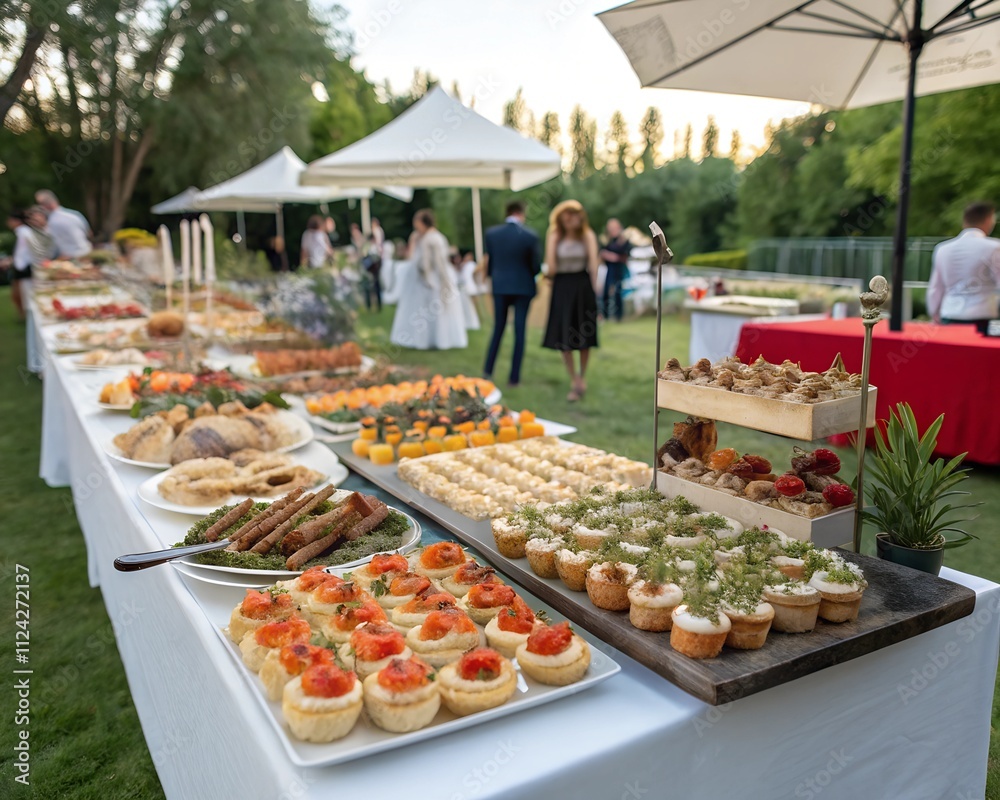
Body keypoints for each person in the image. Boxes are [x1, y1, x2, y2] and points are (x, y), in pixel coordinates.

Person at [542, 199, 599, 402]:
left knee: (583, 336)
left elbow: (593, 265)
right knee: (564, 338)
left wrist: (595, 292)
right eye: (567, 214)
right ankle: (573, 379)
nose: (571, 218)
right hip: (562, 287)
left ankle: (582, 377)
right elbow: (551, 268)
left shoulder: (587, 236)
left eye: (575, 214)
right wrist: (553, 240)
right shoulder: (555, 236)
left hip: (582, 286)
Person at [389, 209, 467, 350]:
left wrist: (431, 278)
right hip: (432, 279)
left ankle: (429, 340)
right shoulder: (434, 236)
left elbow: (428, 263)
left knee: (429, 311)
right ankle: (435, 339)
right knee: (434, 311)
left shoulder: (430, 239)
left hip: (429, 280)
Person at [482, 200, 541, 387]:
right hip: (523, 287)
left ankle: (487, 371)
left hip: (500, 286)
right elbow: (536, 266)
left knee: (498, 328)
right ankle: (514, 378)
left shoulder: (492, 234)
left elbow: (490, 263)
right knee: (519, 330)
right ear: (521, 213)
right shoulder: (530, 236)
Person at [928, 202, 1000, 332]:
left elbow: (936, 288)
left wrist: (935, 314)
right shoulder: (994, 247)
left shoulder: (942, 249)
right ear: (989, 220)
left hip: (949, 314)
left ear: (964, 222)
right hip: (983, 316)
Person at [3, 209, 54, 320]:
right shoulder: (24, 232)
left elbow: (24, 252)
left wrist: (18, 264)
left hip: (26, 267)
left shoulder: (24, 232)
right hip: (24, 266)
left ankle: (28, 317)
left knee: (27, 294)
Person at [34, 189, 92, 258]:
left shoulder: (51, 222)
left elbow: (52, 246)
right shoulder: (75, 214)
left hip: (69, 258)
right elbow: (89, 233)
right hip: (87, 253)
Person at [599, 218, 631, 322]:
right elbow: (602, 252)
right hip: (609, 268)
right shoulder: (608, 240)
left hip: (619, 269)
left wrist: (612, 256)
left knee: (617, 292)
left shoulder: (623, 240)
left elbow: (624, 255)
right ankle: (605, 315)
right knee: (606, 292)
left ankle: (618, 316)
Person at [361, 235, 382, 312]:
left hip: (375, 270)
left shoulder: (376, 248)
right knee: (368, 288)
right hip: (369, 271)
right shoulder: (367, 248)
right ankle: (369, 306)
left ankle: (379, 305)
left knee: (377, 288)